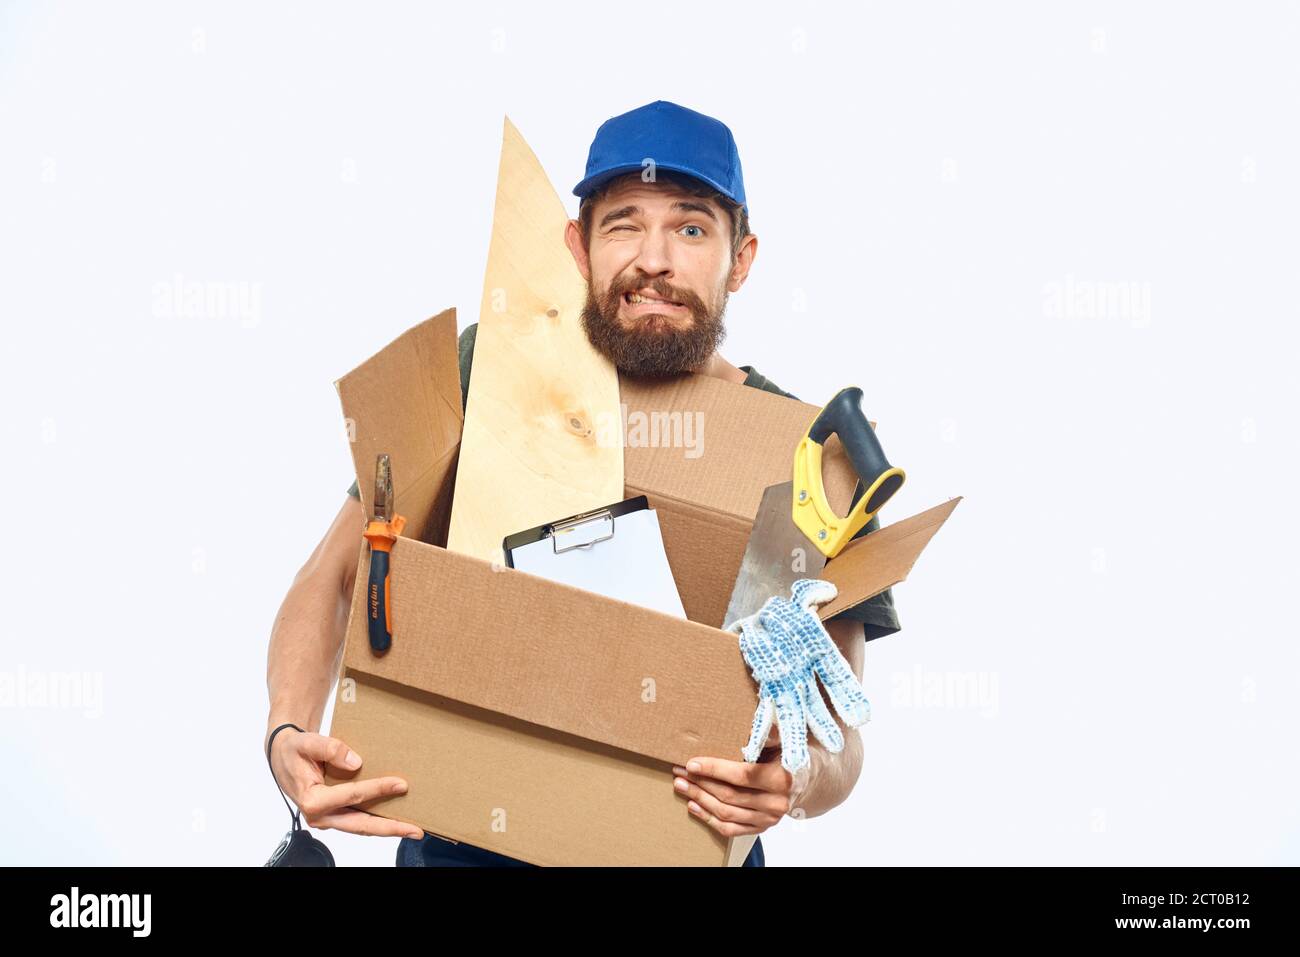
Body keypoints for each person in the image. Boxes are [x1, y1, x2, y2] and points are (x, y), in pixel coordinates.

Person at [265, 101, 900, 867]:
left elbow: (841, 731)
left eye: (691, 228)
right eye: (624, 224)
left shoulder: (808, 454)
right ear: (579, 246)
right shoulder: (494, 371)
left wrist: (795, 778)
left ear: (742, 257)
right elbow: (336, 576)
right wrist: (289, 732)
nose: (654, 260)